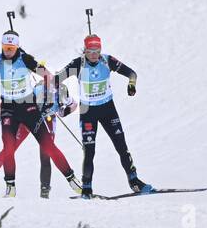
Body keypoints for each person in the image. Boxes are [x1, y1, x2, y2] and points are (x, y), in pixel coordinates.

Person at [0, 28, 83, 197]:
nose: (8, 51)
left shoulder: (26, 59)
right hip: (8, 108)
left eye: (11, 48)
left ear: (17, 47)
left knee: (48, 146)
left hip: (28, 107)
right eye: (5, 47)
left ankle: (72, 180)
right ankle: (7, 186)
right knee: (9, 148)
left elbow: (48, 75)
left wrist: (52, 97)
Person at [55, 33, 151, 197]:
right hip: (88, 112)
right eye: (90, 50)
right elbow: (56, 79)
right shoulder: (78, 63)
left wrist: (131, 85)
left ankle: (134, 181)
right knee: (90, 151)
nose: (94, 54)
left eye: (97, 50)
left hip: (108, 109)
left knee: (121, 145)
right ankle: (86, 188)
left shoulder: (107, 60)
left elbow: (131, 73)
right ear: (84, 50)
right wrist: (58, 97)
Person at [27, 79, 77, 198]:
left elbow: (74, 104)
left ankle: (44, 190)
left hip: (49, 121)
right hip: (35, 120)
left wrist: (63, 112)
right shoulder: (37, 88)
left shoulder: (62, 89)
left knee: (45, 155)